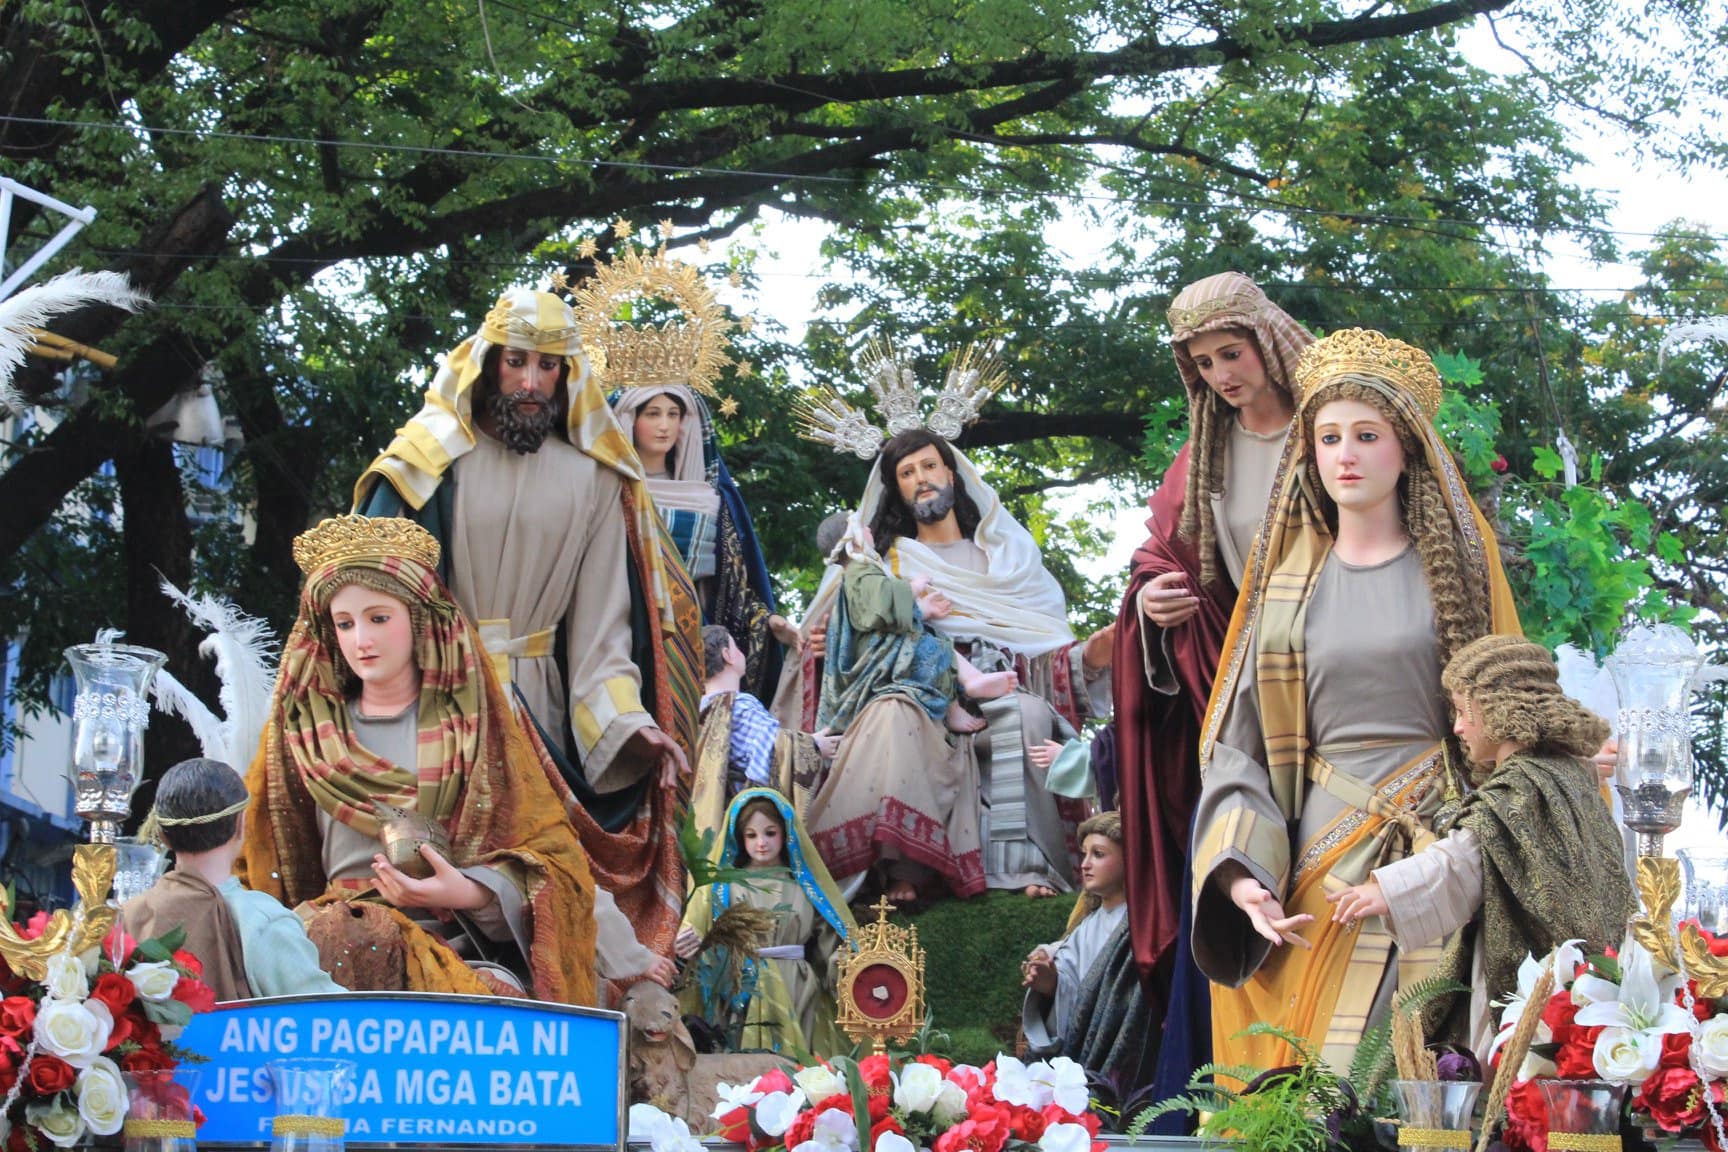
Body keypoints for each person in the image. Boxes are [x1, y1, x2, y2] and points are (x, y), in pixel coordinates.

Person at [1189, 328, 1521, 1075]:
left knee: (1412, 1082)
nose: (1346, 454)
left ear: (1407, 449)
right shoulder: (1278, 589)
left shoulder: (1459, 574)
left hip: (1432, 863)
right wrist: (1241, 877)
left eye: (1366, 435)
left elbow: (1514, 728)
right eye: (1329, 435)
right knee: (1302, 1086)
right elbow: (1239, 746)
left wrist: (1457, 853)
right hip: (1312, 863)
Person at [353, 287, 700, 960]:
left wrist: (632, 727)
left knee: (531, 880)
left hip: (535, 708)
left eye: (549, 367)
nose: (532, 382)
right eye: (517, 362)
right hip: (432, 700)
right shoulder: (428, 463)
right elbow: (367, 589)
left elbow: (605, 629)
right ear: (487, 364)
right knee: (416, 874)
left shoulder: (599, 481)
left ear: (569, 375)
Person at [236, 514, 600, 1004]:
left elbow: (556, 861)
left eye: (379, 618)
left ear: (420, 619)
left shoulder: (475, 731)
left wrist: (467, 892)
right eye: (344, 623)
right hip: (326, 949)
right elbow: (255, 858)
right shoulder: (301, 733)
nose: (361, 639)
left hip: (452, 949)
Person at [1112, 272, 1313, 1112]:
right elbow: (1162, 554)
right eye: (1203, 361)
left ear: (1268, 337)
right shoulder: (1206, 458)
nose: (1222, 373)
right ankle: (1224, 1090)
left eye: (1231, 351)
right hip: (1238, 695)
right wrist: (1153, 604)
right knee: (1238, 860)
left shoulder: (1328, 433)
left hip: (1335, 675)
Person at [778, 425, 1112, 905]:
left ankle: (1023, 868)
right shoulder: (884, 563)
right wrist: (823, 642)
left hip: (995, 688)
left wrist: (1095, 653)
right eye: (908, 472)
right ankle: (903, 870)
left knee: (1030, 715)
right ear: (898, 489)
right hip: (920, 695)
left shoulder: (1007, 558)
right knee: (898, 719)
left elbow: (1044, 653)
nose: (922, 479)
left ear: (951, 474)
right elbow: (840, 641)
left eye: (930, 466)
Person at [1327, 635, 1633, 1056]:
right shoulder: (1567, 776)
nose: (1456, 727)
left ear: (1495, 708)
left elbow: (1464, 859)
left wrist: (1382, 891)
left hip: (1530, 975)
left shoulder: (1519, 787)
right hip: (1587, 971)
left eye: (1463, 710)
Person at [611, 383, 795, 699]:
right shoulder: (611, 492)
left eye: (674, 414)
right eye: (653, 414)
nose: (665, 425)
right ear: (630, 419)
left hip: (693, 638)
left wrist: (769, 620)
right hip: (625, 633)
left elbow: (731, 585)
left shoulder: (710, 497)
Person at [123, 757, 345, 1001]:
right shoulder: (263, 920)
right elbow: (328, 1015)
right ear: (241, 824)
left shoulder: (126, 917)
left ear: (163, 835)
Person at [674, 788, 859, 1057]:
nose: (762, 842)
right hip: (742, 986)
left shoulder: (804, 887)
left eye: (770, 833)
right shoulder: (724, 886)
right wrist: (691, 940)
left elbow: (832, 939)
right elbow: (698, 926)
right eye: (752, 835)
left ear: (785, 834)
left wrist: (851, 967)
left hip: (797, 986)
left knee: (799, 1055)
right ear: (740, 837)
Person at [816, 513, 1019, 736]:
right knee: (932, 649)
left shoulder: (858, 575)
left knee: (937, 643)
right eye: (863, 527)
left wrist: (923, 610)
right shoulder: (861, 573)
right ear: (853, 539)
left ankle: (965, 692)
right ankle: (964, 693)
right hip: (878, 656)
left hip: (881, 645)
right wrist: (913, 587)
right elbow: (882, 606)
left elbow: (878, 618)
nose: (869, 529)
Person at [1021, 811, 1155, 1095]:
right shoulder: (1086, 926)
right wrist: (1051, 984)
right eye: (1084, 854)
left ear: (1129, 859)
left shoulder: (1143, 924)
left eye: (1098, 854)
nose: (1085, 864)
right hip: (1082, 1057)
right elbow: (1074, 987)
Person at [689, 624, 834, 844]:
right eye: (736, 647)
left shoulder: (697, 711)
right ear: (727, 655)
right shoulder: (741, 704)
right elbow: (769, 754)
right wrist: (813, 745)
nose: (741, 653)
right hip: (745, 821)